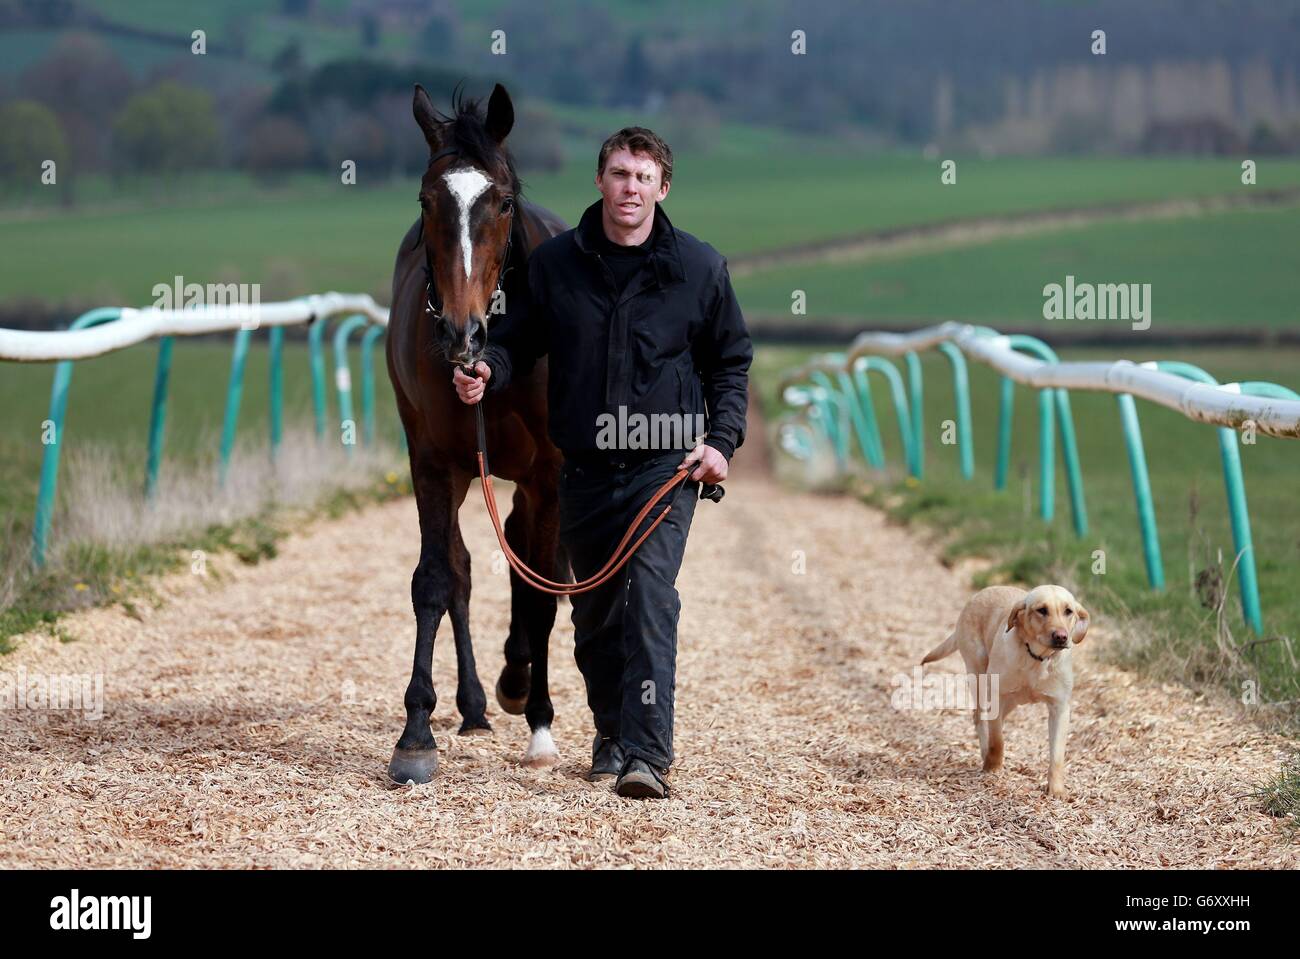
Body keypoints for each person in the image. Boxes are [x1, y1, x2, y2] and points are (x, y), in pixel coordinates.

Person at [453, 127, 752, 799]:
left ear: (663, 188)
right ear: (600, 180)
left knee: (648, 595)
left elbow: (730, 361)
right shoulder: (556, 265)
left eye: (644, 177)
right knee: (591, 615)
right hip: (583, 467)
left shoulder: (699, 269)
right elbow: (515, 341)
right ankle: (612, 734)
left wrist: (721, 442)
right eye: (620, 173)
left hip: (665, 467)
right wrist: (484, 369)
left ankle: (648, 753)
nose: (631, 188)